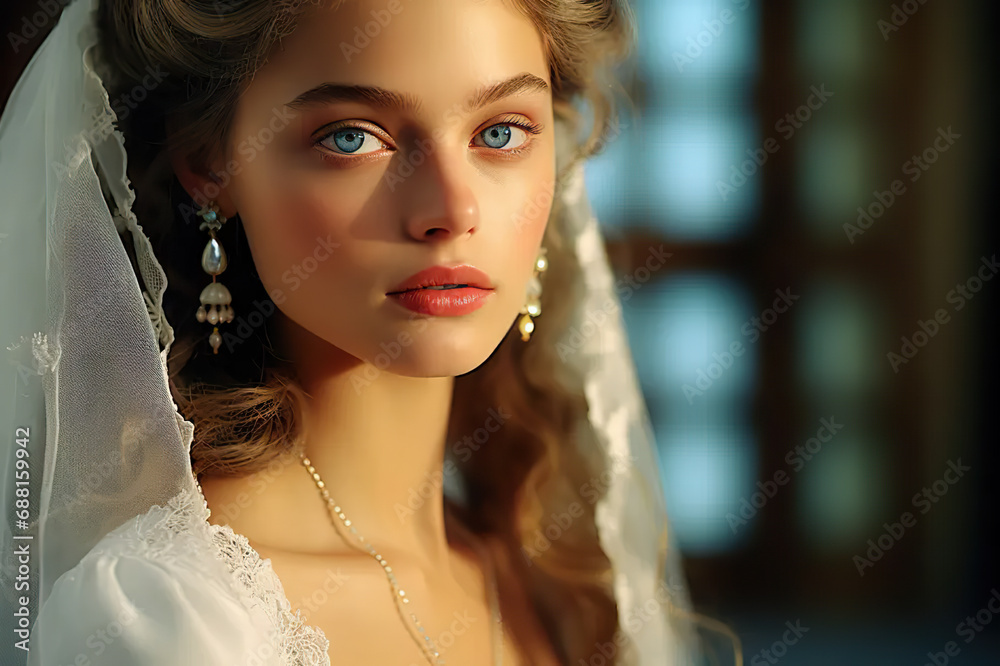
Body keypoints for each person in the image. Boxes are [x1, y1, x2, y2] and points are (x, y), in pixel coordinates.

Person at [0, 0, 739, 663]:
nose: (450, 209)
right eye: (352, 137)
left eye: (501, 131)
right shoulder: (171, 619)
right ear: (209, 166)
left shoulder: (557, 575)